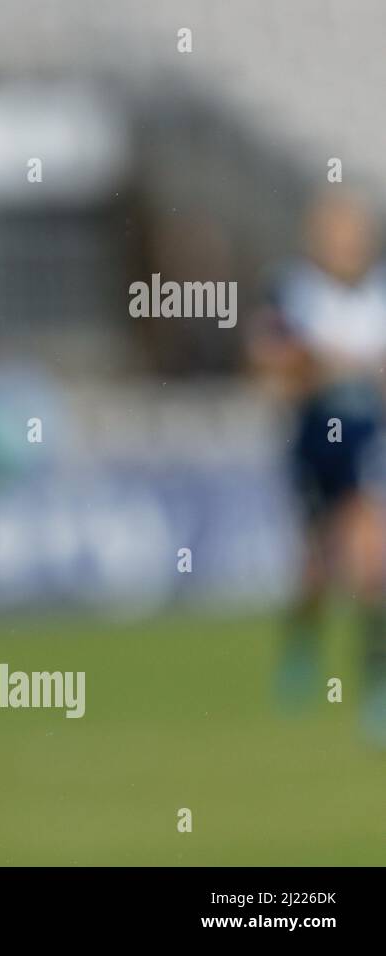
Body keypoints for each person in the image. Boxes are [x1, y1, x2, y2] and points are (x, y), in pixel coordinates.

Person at [250, 190, 386, 745]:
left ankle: (376, 689)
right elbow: (268, 361)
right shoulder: (295, 291)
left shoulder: (378, 293)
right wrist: (317, 363)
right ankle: (301, 650)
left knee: (370, 563)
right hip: (313, 440)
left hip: (366, 441)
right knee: (314, 569)